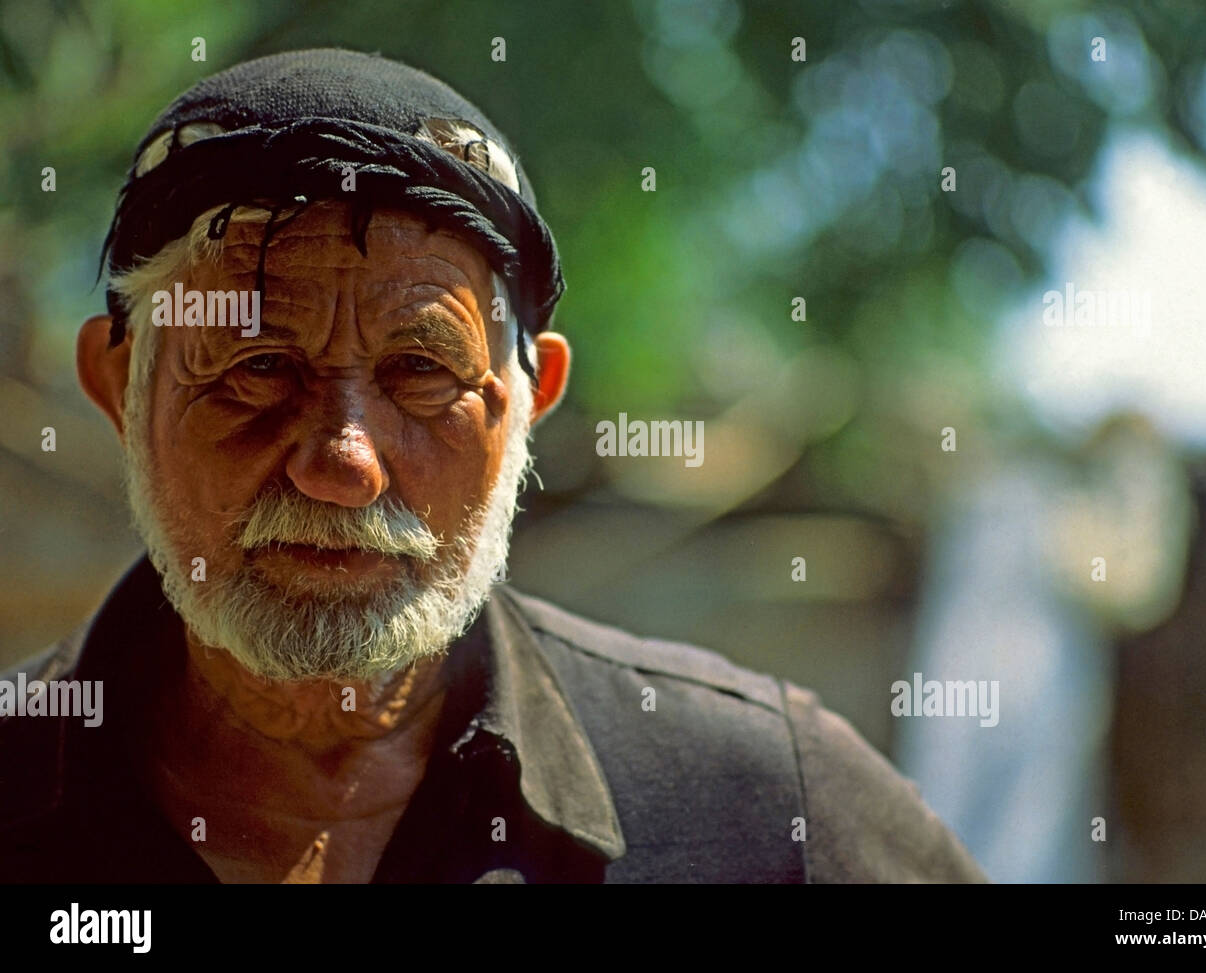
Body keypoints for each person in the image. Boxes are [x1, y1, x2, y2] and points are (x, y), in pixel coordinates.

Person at [0, 48, 985, 884]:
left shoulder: (764, 805)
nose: (343, 461)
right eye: (259, 368)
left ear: (531, 400)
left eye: (423, 372)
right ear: (118, 387)